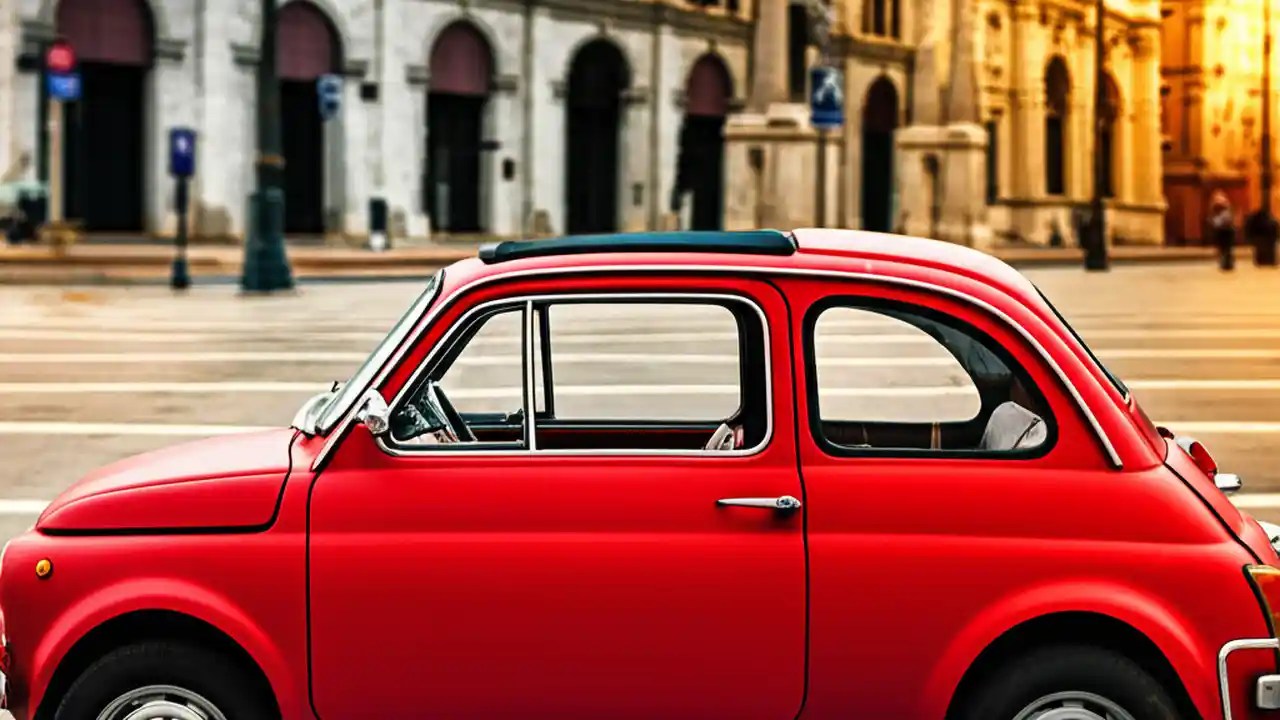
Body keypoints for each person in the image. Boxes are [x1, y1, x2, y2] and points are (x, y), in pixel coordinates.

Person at [1208, 191, 1236, 271]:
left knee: (1226, 248)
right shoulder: (1218, 207)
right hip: (1221, 230)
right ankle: (1225, 263)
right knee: (1223, 248)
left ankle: (1227, 263)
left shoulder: (1226, 208)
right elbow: (1213, 218)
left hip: (1226, 229)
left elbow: (1229, 217)